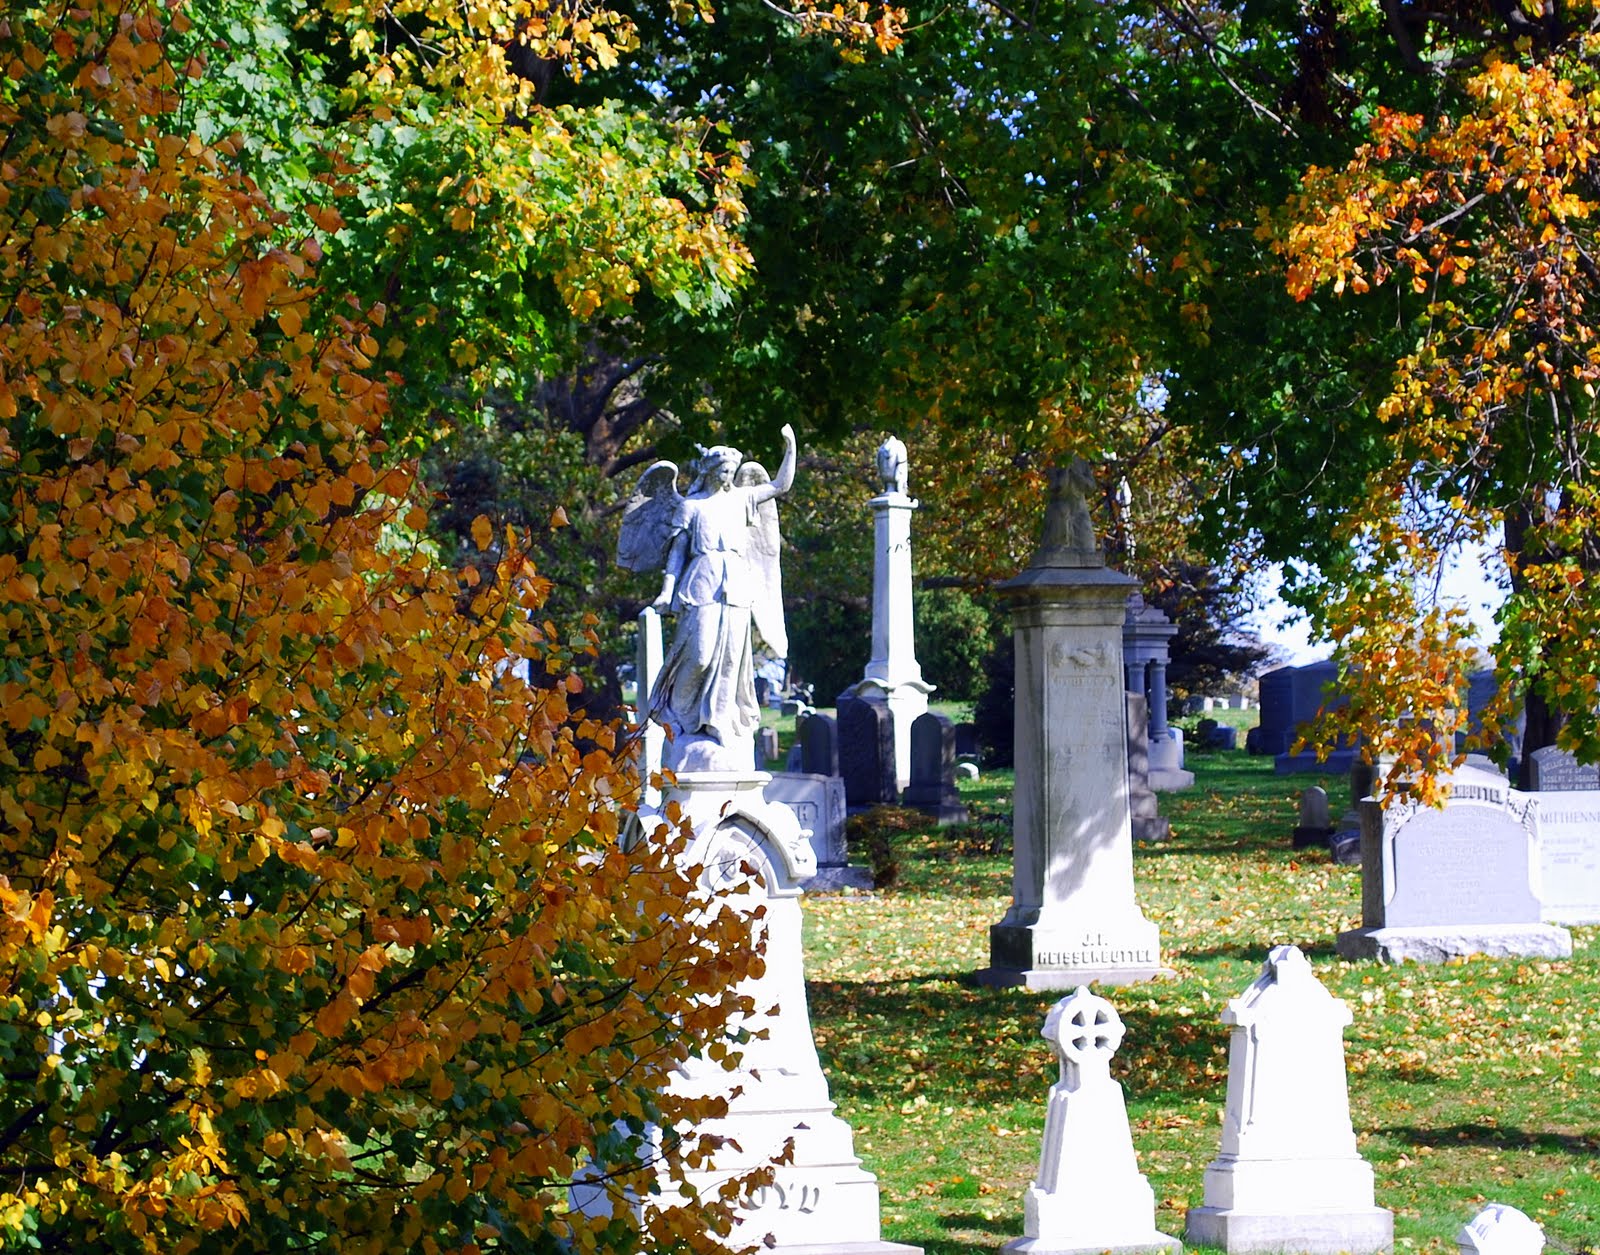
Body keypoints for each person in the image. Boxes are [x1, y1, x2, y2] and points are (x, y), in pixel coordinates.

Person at [633, 425, 796, 768]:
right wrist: (666, 591)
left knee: (732, 663)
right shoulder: (690, 506)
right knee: (702, 655)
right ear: (709, 471)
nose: (728, 476)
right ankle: (678, 718)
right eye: (723, 470)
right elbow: (676, 554)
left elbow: (781, 485)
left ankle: (721, 723)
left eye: (732, 472)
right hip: (701, 584)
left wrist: (790, 446)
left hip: (736, 585)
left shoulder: (743, 498)